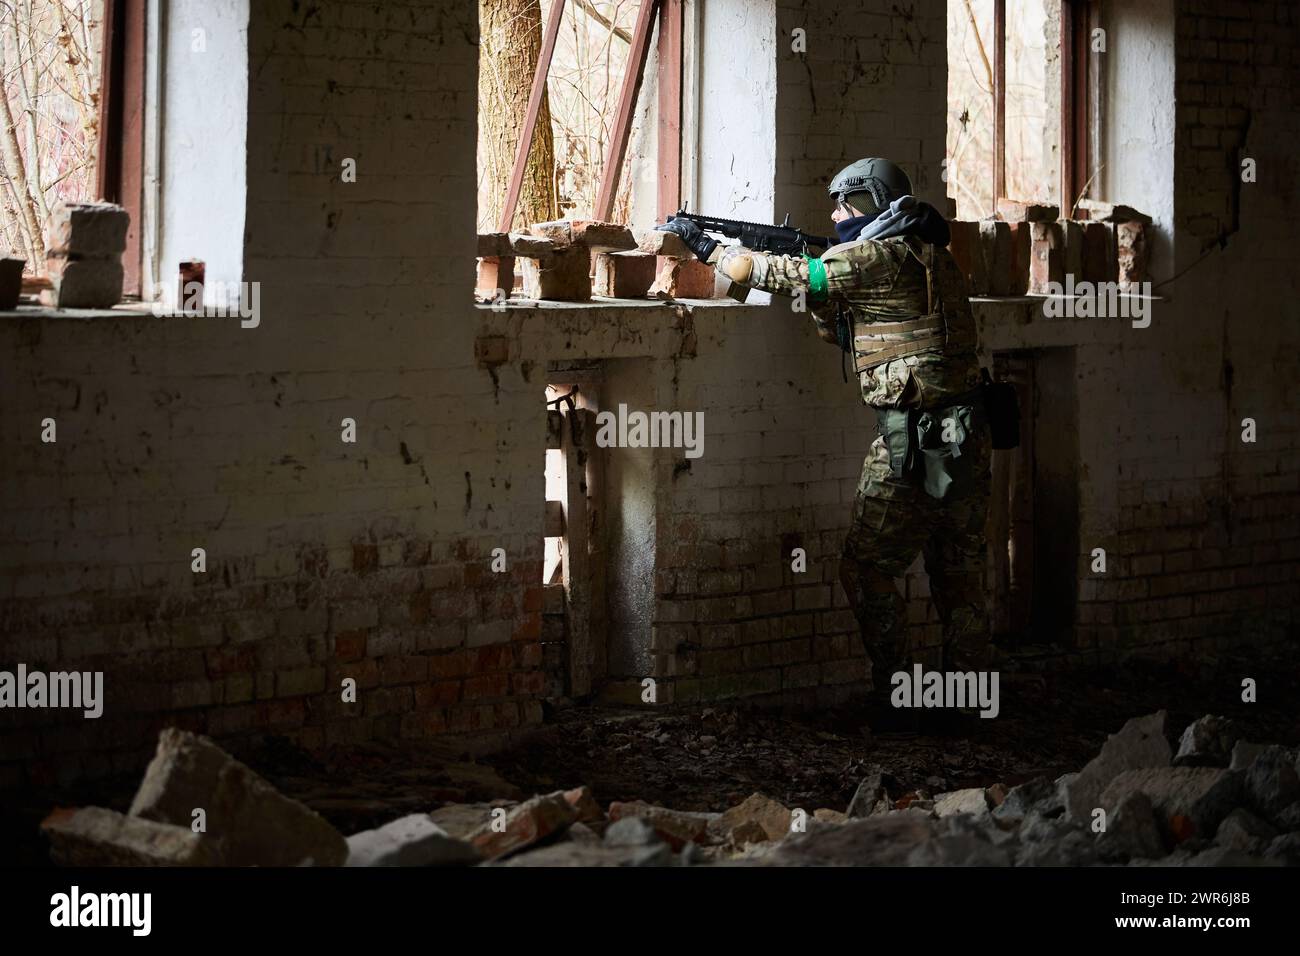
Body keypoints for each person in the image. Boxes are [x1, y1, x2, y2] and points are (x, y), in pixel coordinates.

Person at [657, 158, 993, 689]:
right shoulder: (931, 254)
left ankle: (898, 693)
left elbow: (773, 274)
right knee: (959, 573)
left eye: (846, 205)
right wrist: (823, 298)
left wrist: (709, 248)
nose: (836, 216)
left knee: (866, 570)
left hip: (914, 441)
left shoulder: (877, 256)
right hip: (967, 435)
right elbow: (851, 331)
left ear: (872, 203)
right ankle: (969, 698)